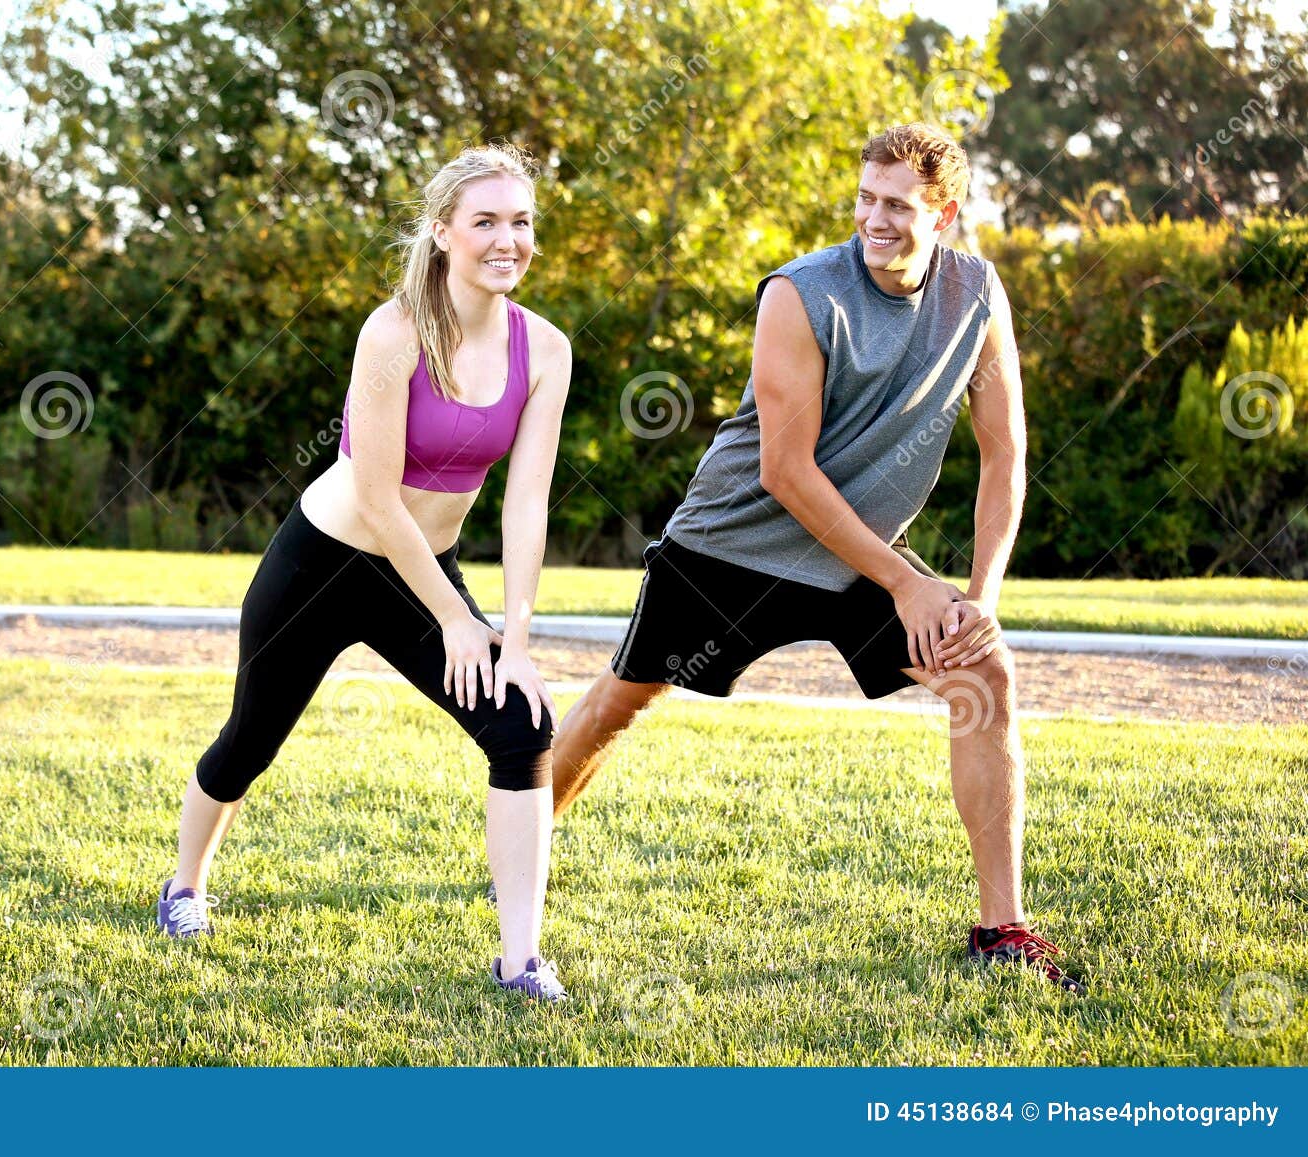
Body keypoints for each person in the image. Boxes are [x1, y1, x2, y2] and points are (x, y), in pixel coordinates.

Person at [550, 123, 1084, 993]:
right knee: (622, 701)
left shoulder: (979, 296)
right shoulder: (801, 294)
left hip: (861, 556)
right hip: (734, 541)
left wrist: (978, 598)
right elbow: (785, 471)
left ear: (944, 214)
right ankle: (518, 847)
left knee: (984, 676)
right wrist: (909, 579)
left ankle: (1002, 927)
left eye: (899, 206)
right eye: (866, 199)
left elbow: (1005, 454)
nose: (876, 219)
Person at [158, 143, 574, 1003]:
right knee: (249, 742)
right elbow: (380, 501)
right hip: (325, 561)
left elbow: (526, 503)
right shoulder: (393, 332)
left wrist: (517, 637)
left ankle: (520, 958)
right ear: (443, 232)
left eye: (521, 221)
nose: (508, 239)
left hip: (422, 572)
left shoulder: (546, 350)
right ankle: (185, 886)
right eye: (486, 221)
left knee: (521, 726)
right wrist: (460, 620)